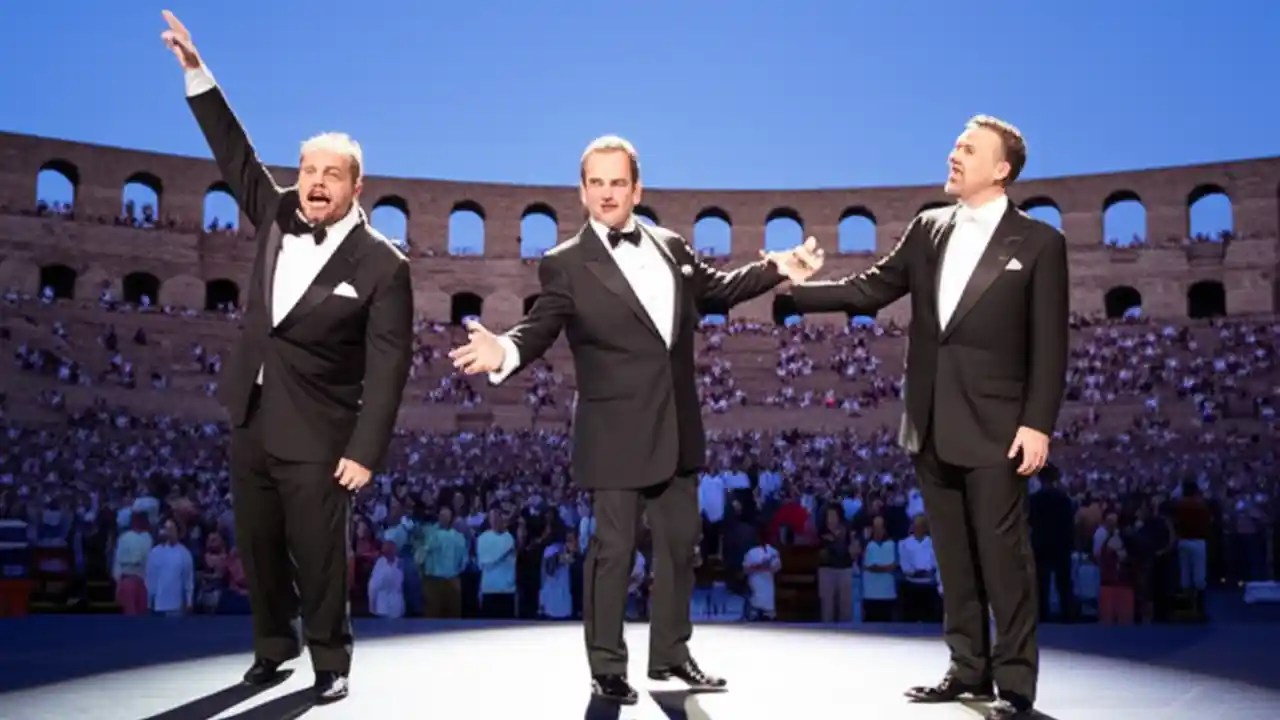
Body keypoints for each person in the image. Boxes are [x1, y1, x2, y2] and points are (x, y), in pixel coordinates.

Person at [449, 134, 822, 705]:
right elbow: (541, 325)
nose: (606, 193)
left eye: (616, 182)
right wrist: (506, 351)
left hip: (675, 424)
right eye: (595, 182)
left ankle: (672, 654)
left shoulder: (670, 245)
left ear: (636, 188)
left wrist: (779, 268)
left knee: (679, 547)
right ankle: (606, 666)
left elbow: (718, 290)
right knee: (614, 551)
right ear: (581, 191)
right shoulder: (565, 263)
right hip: (613, 429)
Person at [159, 10, 414, 704]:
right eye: (307, 169)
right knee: (259, 544)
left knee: (319, 552)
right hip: (251, 412)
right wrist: (196, 73)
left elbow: (391, 364)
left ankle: (330, 661)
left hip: (321, 431)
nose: (315, 181)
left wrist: (366, 450)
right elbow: (234, 155)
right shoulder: (275, 214)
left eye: (331, 173)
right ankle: (273, 647)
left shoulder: (384, 264)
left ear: (357, 186)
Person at [787, 114, 1068, 720]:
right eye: (954, 145)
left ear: (1002, 169)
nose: (953, 155)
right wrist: (794, 291)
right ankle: (967, 669)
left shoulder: (1040, 242)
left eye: (968, 149)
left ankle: (1015, 680)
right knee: (953, 556)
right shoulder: (928, 228)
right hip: (930, 421)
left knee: (1004, 557)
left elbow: (1050, 344)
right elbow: (870, 289)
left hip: (999, 428)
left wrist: (1037, 422)